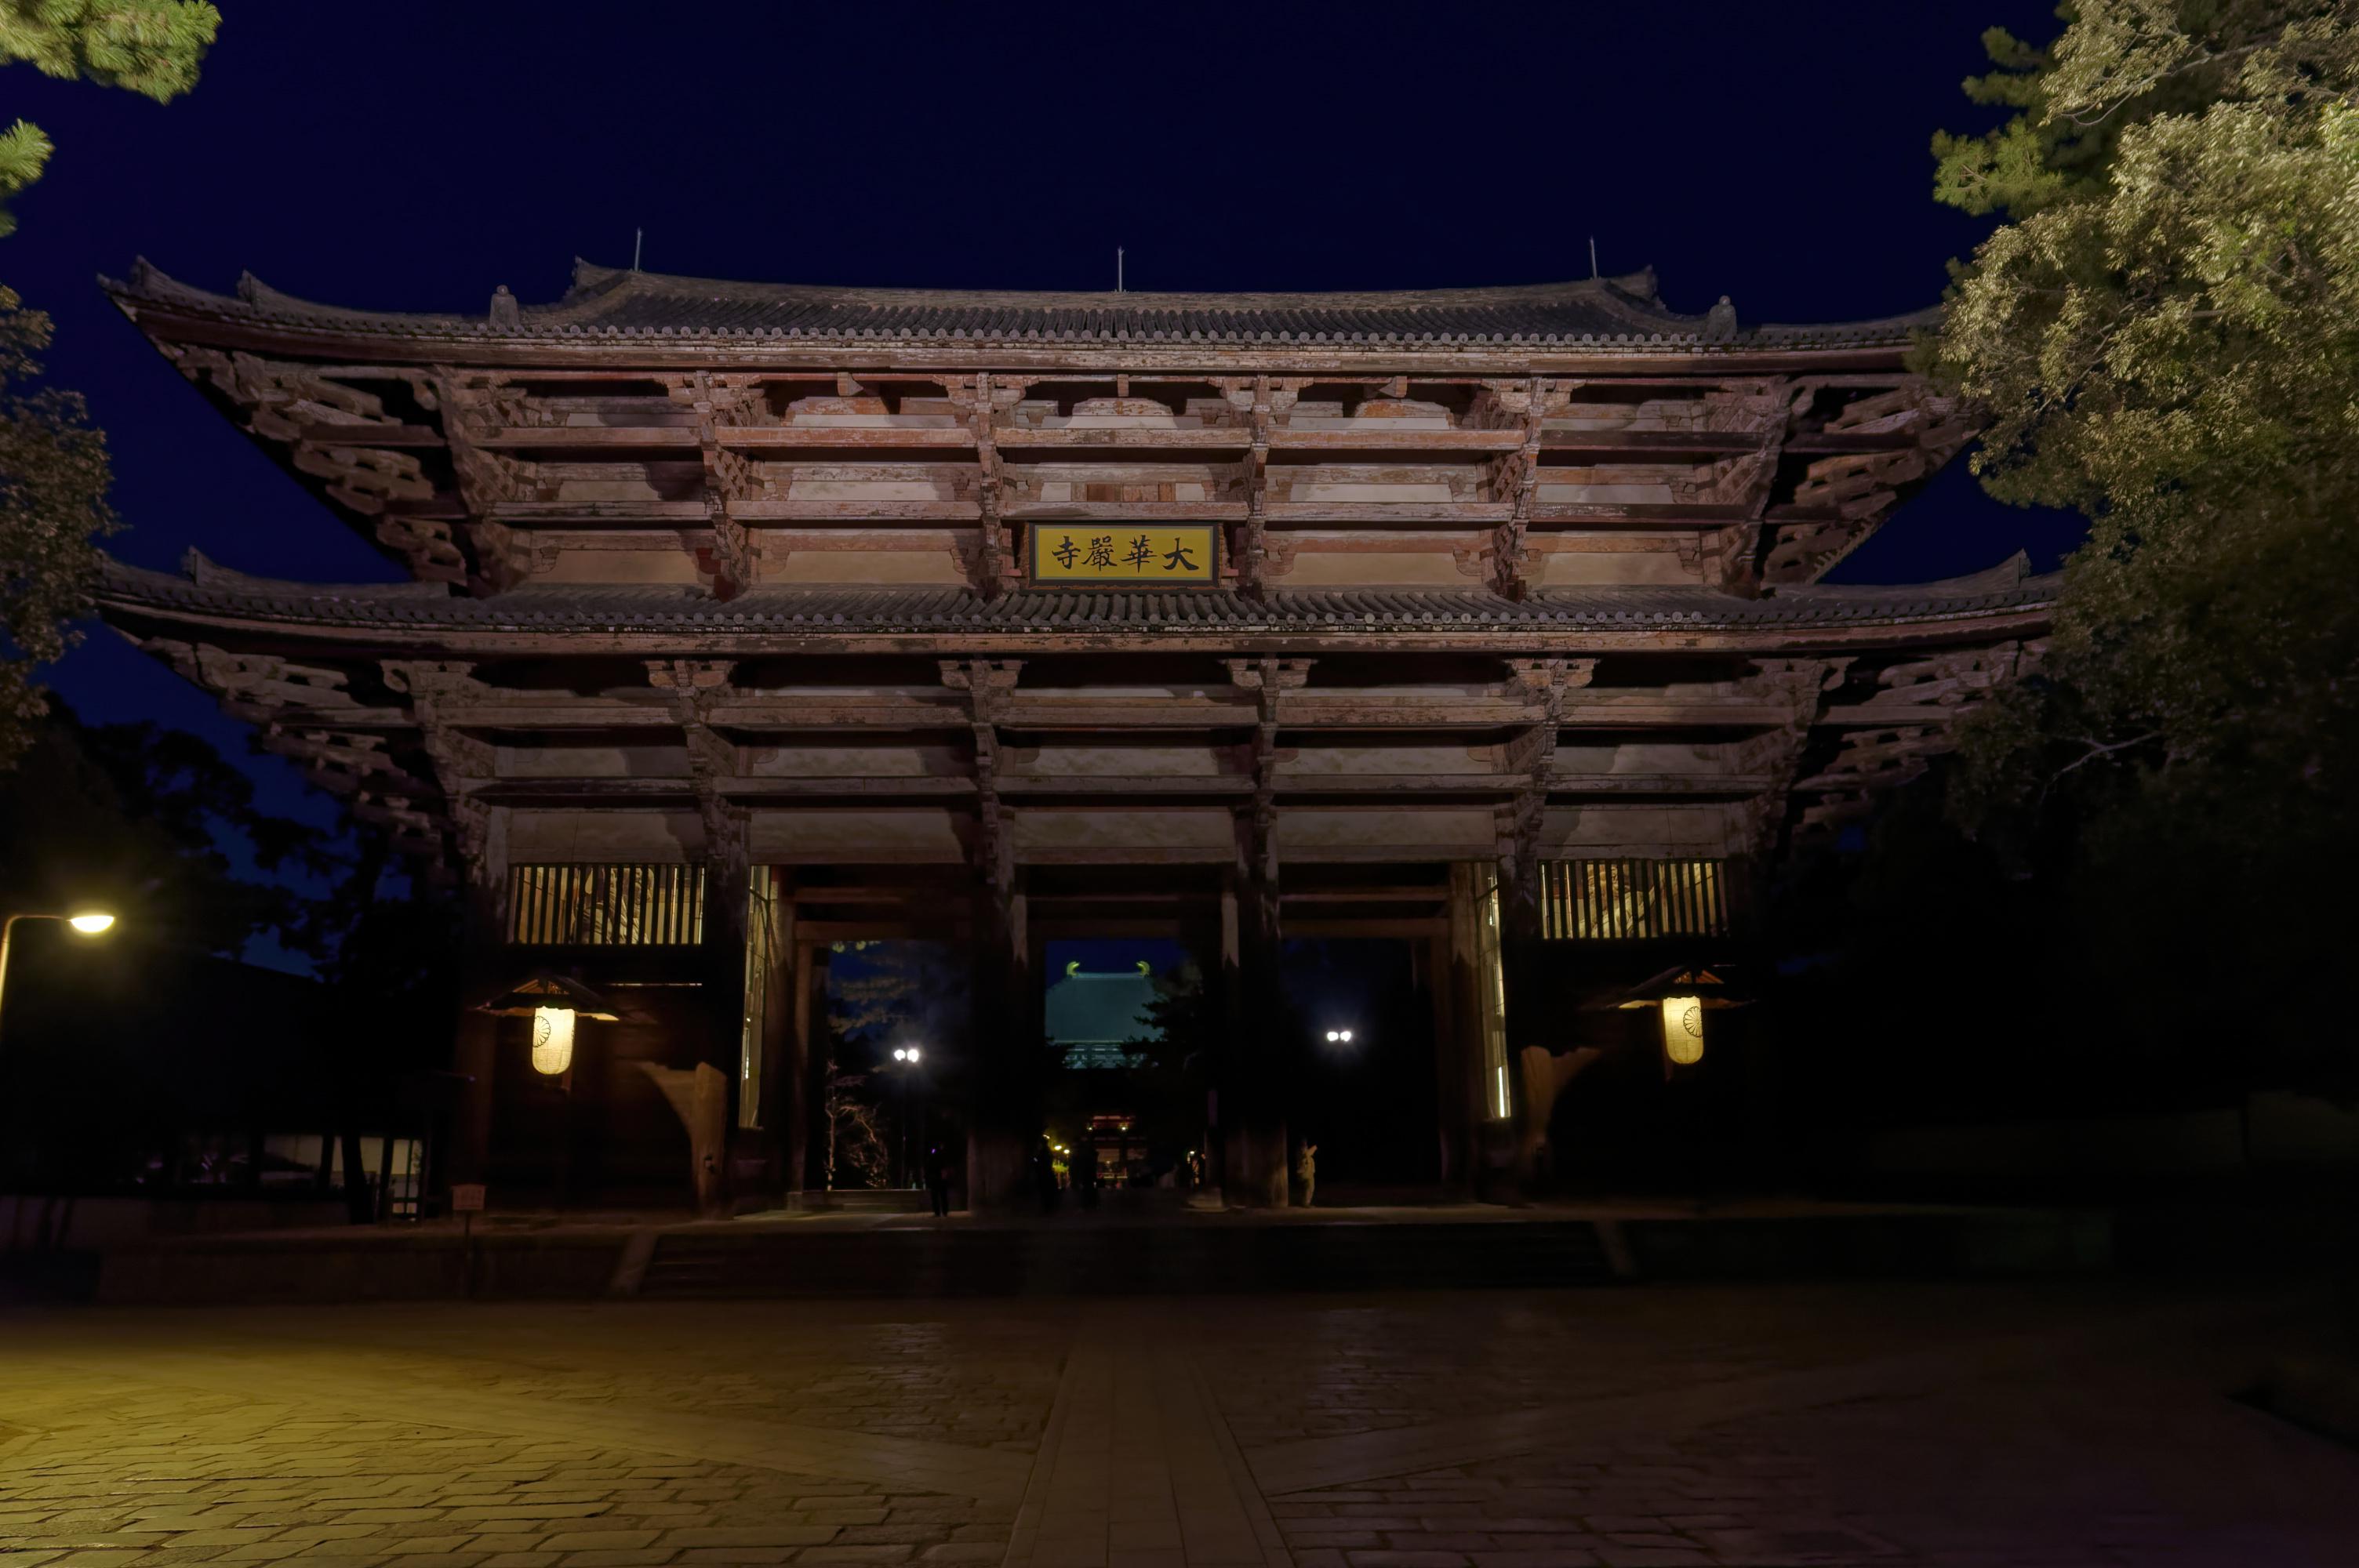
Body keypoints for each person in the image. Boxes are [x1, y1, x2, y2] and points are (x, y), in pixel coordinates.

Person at [925, 1146, 951, 1218]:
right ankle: (944, 1211)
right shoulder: (943, 1158)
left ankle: (938, 1212)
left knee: (935, 1197)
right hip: (940, 1180)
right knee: (943, 1196)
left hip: (935, 1180)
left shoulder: (931, 1159)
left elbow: (929, 1170)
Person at [1295, 1140, 1318, 1208]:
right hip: (1304, 1173)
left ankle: (1305, 1202)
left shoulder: (1308, 1155)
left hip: (1308, 1174)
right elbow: (1306, 1154)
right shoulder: (1300, 1152)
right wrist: (1315, 1147)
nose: (1305, 1147)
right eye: (1304, 1145)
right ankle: (1305, 1203)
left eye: (1306, 1145)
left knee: (1309, 1187)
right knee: (1308, 1187)